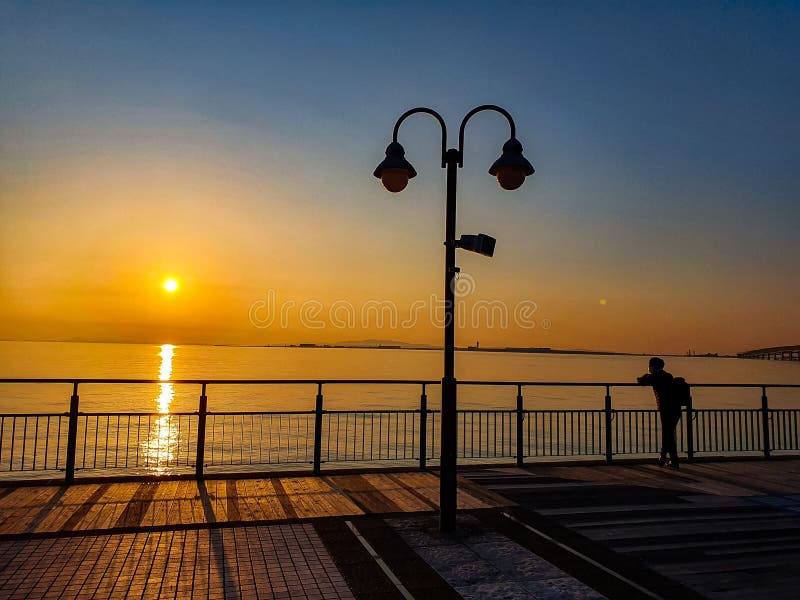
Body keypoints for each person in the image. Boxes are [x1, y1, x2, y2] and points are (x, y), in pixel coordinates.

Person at [637, 357, 680, 469]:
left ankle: (672, 460)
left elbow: (641, 381)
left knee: (668, 434)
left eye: (649, 366)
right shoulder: (668, 375)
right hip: (676, 408)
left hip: (666, 409)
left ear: (653, 367)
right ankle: (664, 458)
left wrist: (645, 376)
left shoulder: (655, 377)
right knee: (668, 434)